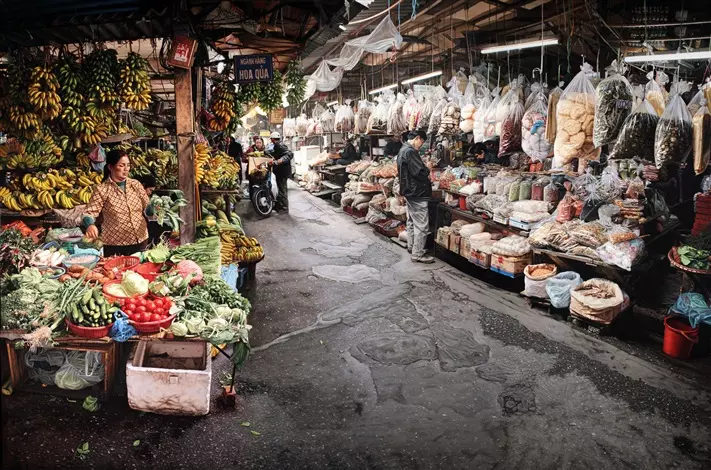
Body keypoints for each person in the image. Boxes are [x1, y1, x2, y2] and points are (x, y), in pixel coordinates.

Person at [83, 149, 154, 257]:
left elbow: (147, 209)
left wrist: (154, 208)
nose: (126, 169)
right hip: (115, 245)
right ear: (110, 167)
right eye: (121, 165)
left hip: (141, 240)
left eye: (128, 165)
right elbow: (89, 213)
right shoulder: (102, 189)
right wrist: (90, 225)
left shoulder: (136, 184)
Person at [397, 130, 434, 263]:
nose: (421, 145)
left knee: (412, 221)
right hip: (417, 192)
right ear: (417, 138)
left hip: (410, 191)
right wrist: (428, 168)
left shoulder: (403, 149)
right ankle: (418, 253)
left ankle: (412, 246)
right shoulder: (410, 151)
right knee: (422, 225)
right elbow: (419, 172)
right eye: (422, 142)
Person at [268, 131, 294, 213]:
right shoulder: (277, 146)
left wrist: (278, 161)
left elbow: (289, 154)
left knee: (282, 190)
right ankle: (279, 206)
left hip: (283, 172)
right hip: (280, 172)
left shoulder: (280, 145)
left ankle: (284, 208)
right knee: (281, 189)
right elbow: (276, 153)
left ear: (272, 139)